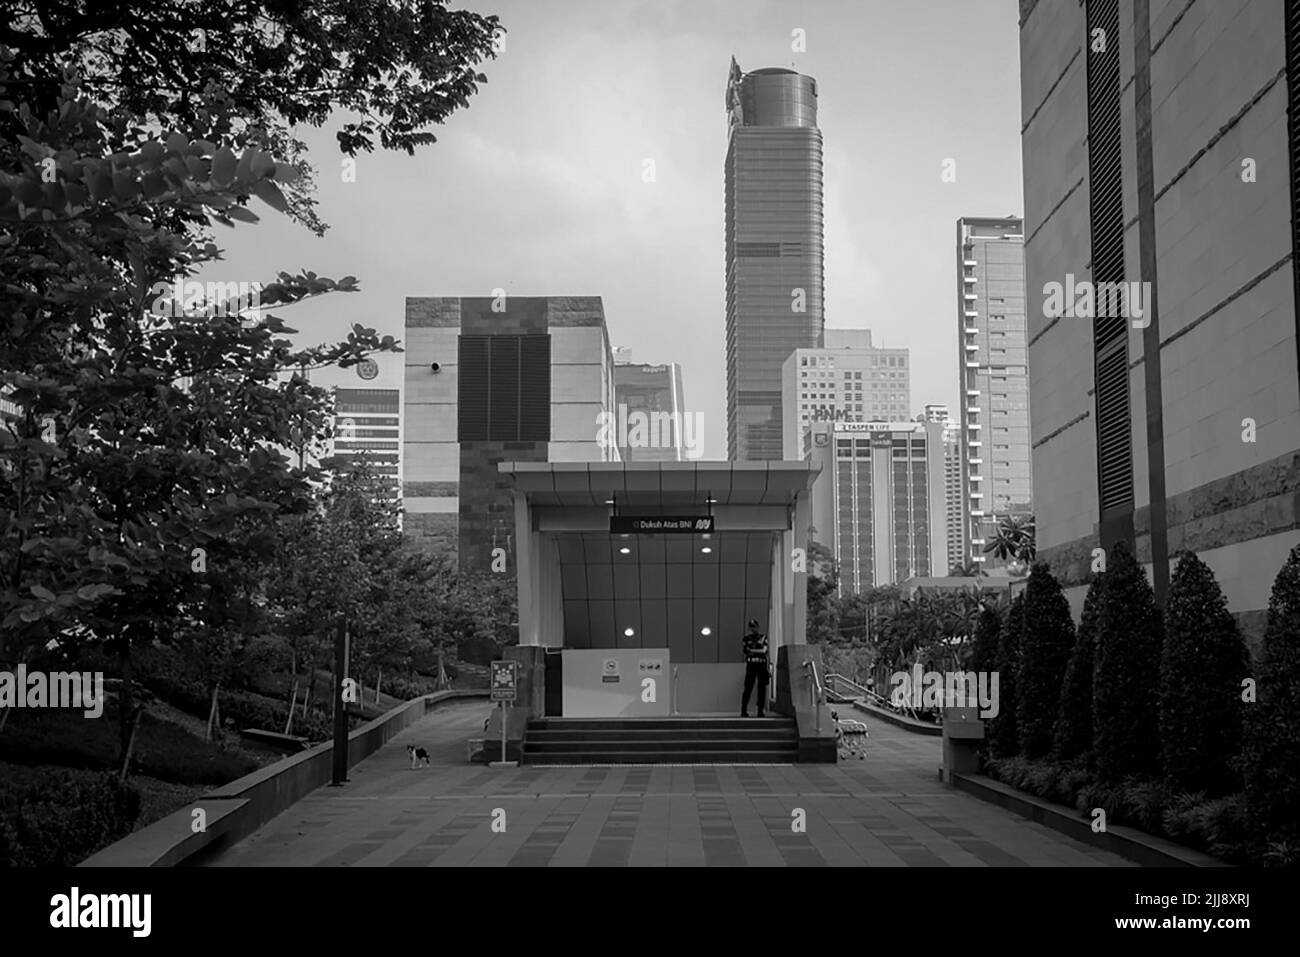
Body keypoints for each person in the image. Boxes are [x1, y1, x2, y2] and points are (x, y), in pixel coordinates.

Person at [740, 618, 769, 718]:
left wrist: (753, 650)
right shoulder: (746, 638)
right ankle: (744, 709)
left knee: (762, 689)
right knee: (748, 687)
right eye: (751, 627)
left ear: (757, 627)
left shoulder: (763, 637)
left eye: (754, 627)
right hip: (751, 665)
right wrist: (757, 650)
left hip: (761, 665)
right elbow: (746, 651)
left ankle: (760, 710)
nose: (753, 629)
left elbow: (764, 651)